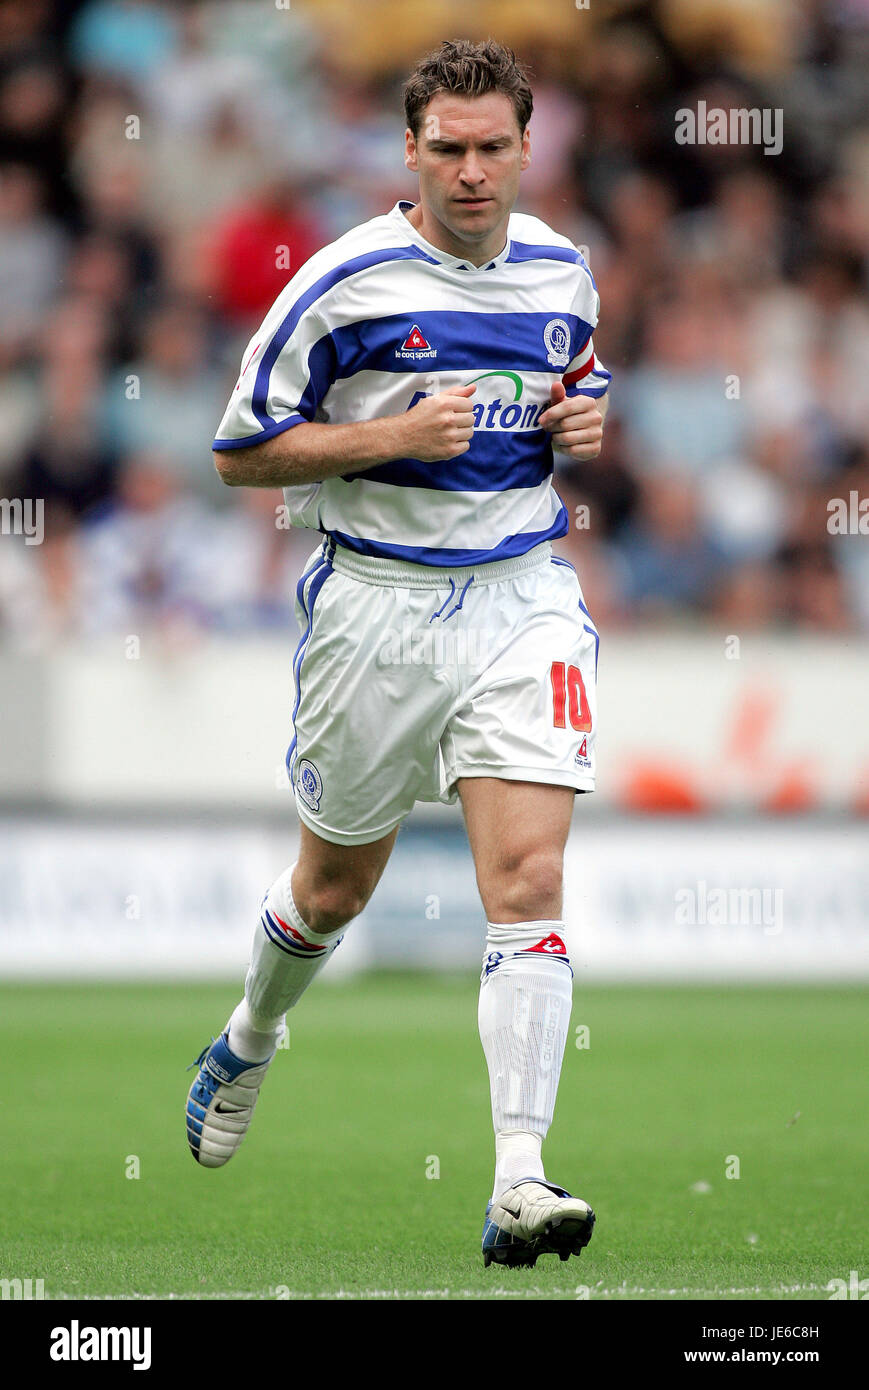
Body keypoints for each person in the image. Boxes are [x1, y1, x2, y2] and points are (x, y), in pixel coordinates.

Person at [186, 38, 611, 1270]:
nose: (471, 172)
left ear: (527, 146)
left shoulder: (564, 271)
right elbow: (237, 453)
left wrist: (584, 416)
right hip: (374, 609)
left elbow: (573, 388)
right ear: (408, 151)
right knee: (333, 891)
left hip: (522, 594)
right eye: (448, 149)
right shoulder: (341, 281)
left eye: (492, 148)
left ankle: (517, 1178)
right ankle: (251, 1038)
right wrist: (381, 440)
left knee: (526, 882)